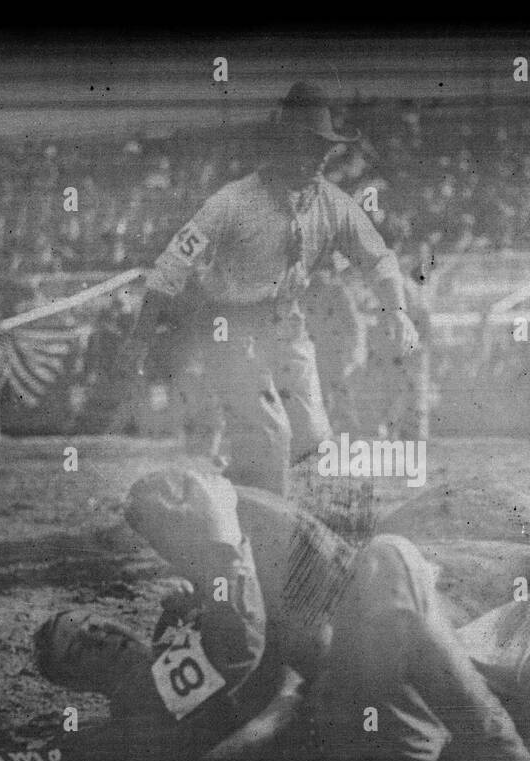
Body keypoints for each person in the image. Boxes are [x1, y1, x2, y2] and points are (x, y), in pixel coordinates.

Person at [33, 464, 530, 761]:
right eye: (81, 646)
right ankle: (503, 757)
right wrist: (222, 546)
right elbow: (242, 647)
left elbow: (240, 638)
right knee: (390, 559)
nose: (99, 632)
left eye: (90, 621)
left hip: (375, 679)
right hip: (352, 720)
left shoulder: (170, 632)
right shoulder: (151, 695)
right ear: (81, 683)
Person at [131, 82, 421, 496]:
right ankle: (245, 519)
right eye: (309, 145)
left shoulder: (333, 203)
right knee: (268, 436)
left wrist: (396, 311)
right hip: (227, 325)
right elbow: (170, 268)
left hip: (286, 323)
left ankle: (294, 524)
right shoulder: (232, 203)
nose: (320, 157)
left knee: (314, 439)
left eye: (325, 148)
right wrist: (139, 339)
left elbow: (377, 257)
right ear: (283, 144)